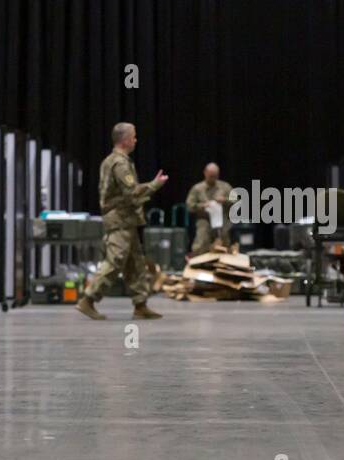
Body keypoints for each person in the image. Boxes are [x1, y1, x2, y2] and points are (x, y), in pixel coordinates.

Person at [76, 122, 169, 320]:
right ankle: (88, 299)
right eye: (134, 136)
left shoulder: (113, 160)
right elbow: (131, 193)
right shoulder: (120, 163)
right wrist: (154, 186)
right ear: (125, 140)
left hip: (127, 221)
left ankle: (140, 304)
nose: (136, 140)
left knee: (135, 263)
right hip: (120, 220)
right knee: (115, 261)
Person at [185, 163, 233, 255]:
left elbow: (237, 201)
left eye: (215, 176)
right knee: (202, 240)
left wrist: (225, 200)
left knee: (224, 242)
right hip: (204, 219)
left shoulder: (225, 187)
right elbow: (189, 206)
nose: (213, 179)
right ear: (205, 173)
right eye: (211, 176)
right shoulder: (197, 189)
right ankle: (199, 262)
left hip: (222, 221)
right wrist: (203, 206)